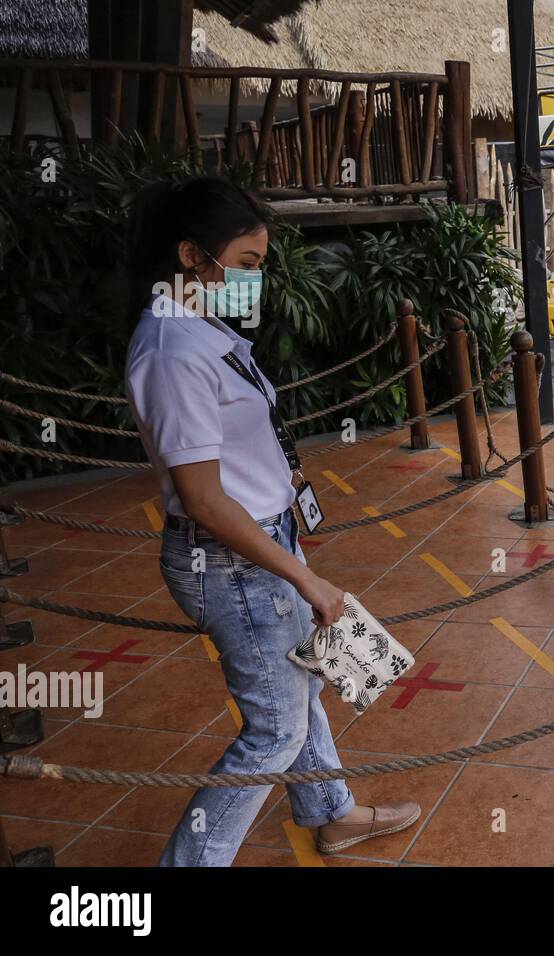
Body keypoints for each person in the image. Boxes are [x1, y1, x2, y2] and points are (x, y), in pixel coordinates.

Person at [123, 177, 421, 865]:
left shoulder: (199, 326)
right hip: (229, 561)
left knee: (301, 685)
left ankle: (332, 812)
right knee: (272, 733)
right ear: (195, 257)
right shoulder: (170, 351)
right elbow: (202, 499)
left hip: (258, 542)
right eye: (248, 263)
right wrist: (308, 582)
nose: (256, 278)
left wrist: (278, 482)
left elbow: (228, 445)